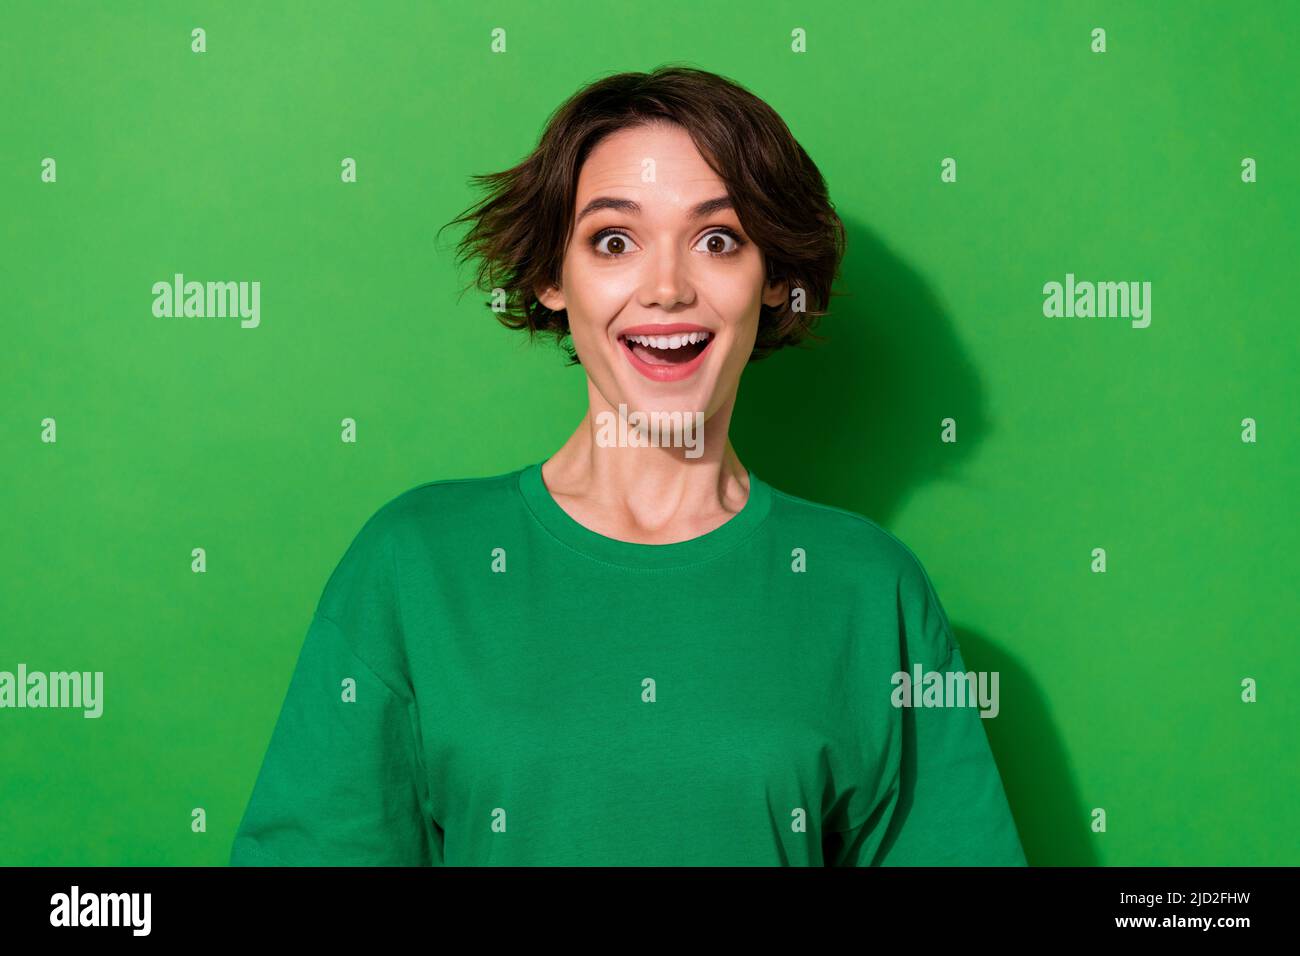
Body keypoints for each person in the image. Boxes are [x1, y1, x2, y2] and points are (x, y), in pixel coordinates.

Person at [229, 65, 1026, 866]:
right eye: (614, 240)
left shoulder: (870, 588)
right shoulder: (414, 564)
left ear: (776, 279)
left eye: (718, 240)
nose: (668, 288)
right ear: (551, 277)